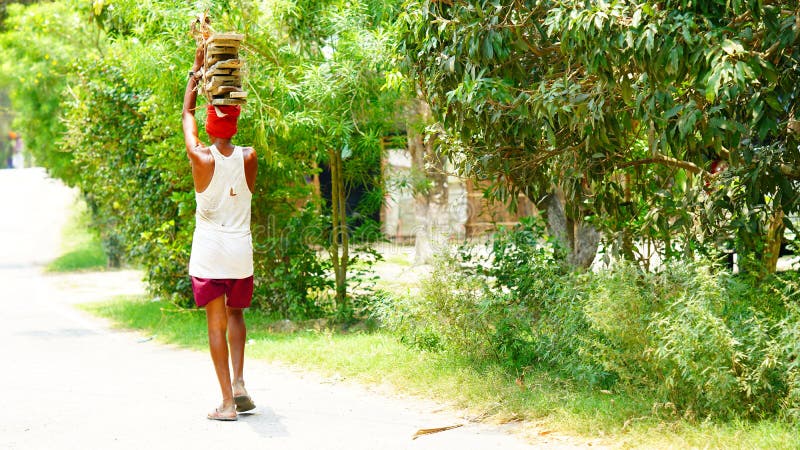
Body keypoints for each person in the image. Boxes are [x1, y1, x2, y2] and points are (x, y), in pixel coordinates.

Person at [182, 43, 258, 421]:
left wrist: (195, 75)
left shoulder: (200, 157)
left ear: (211, 128)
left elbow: (186, 115)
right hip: (240, 252)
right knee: (236, 315)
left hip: (210, 253)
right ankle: (241, 383)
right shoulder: (249, 157)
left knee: (215, 323)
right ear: (235, 125)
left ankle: (227, 403)